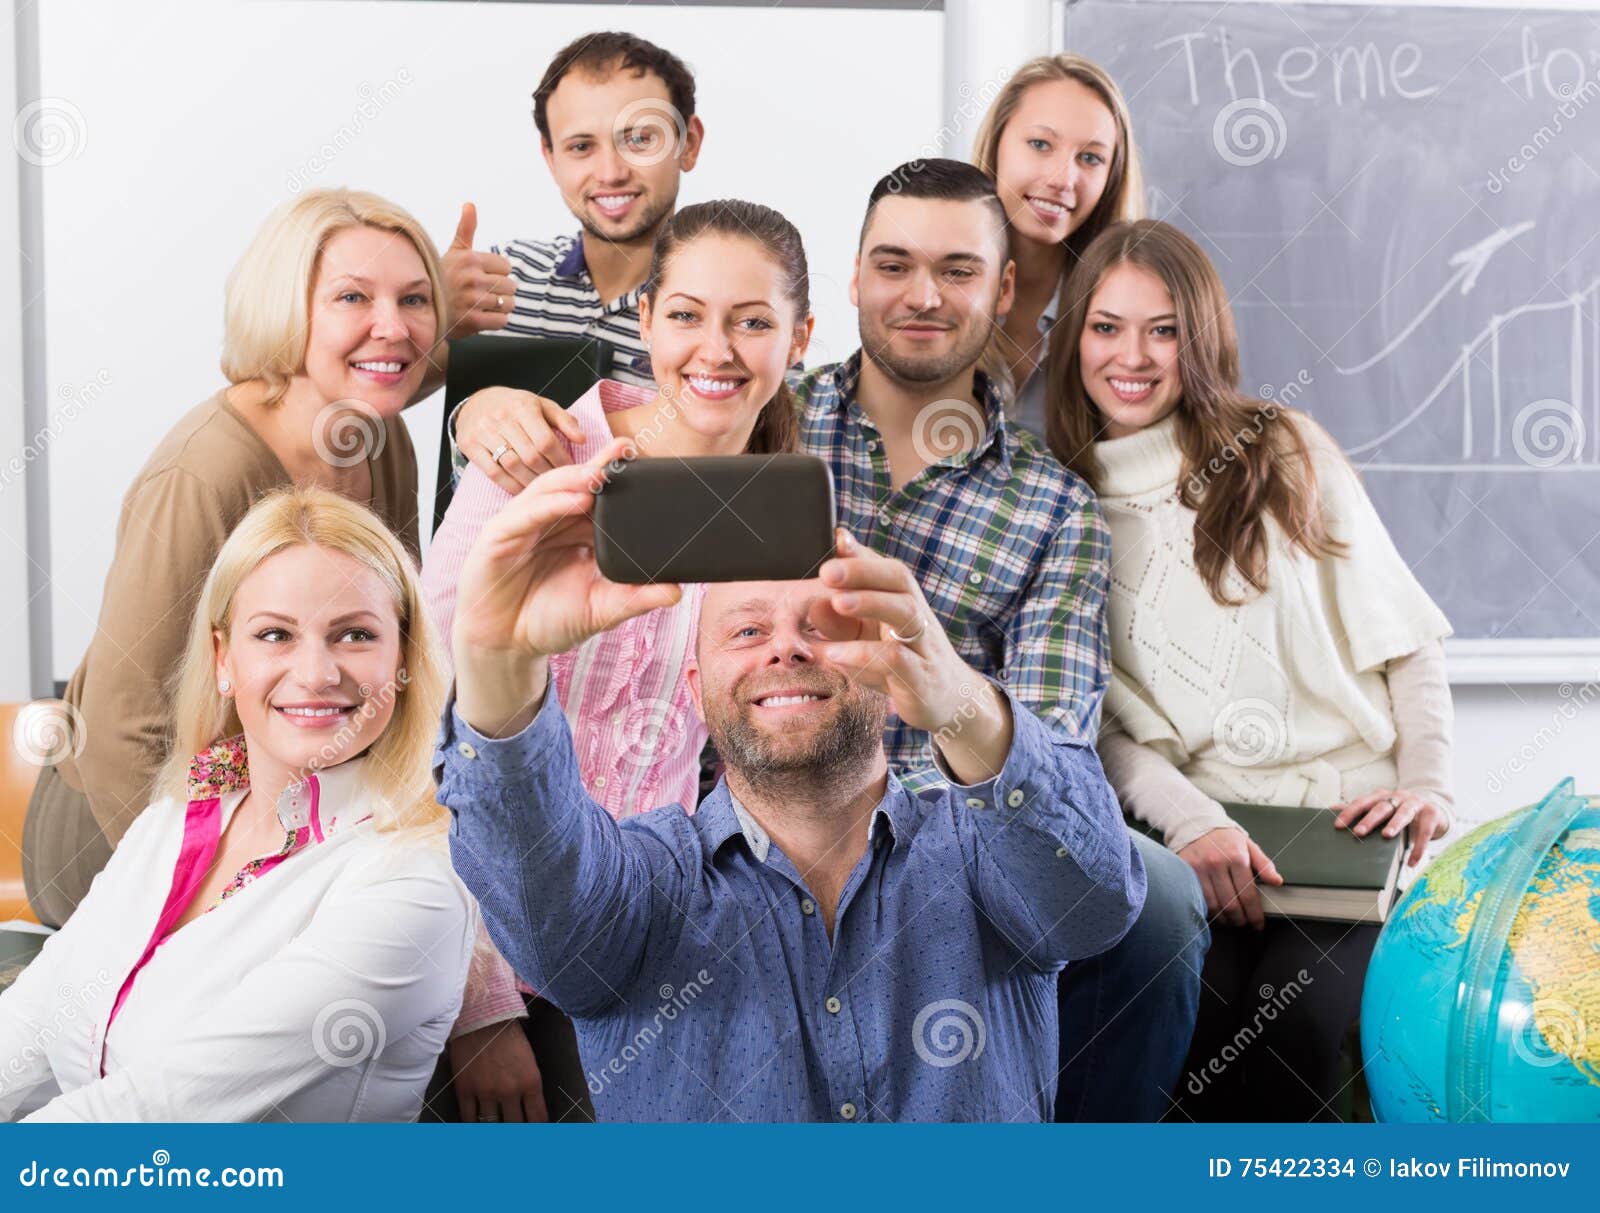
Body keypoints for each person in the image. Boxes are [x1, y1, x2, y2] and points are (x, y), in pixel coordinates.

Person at [434, 444, 1146, 1121]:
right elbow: (544, 906)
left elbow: (1094, 903)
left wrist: (962, 699)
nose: (787, 646)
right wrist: (497, 659)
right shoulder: (642, 887)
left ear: (887, 655)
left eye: (821, 623)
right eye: (745, 632)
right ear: (692, 688)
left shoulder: (985, 855)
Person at [1046, 219, 1456, 1121]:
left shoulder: (1282, 449)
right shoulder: (1060, 507)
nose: (1134, 357)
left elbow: (1408, 641)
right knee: (1173, 1026)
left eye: (1164, 330)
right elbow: (1099, 729)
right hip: (1201, 850)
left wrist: (1428, 785)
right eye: (1107, 326)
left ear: (1203, 339)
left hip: (1343, 837)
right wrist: (1194, 824)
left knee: (1298, 1033)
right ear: (1073, 336)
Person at [421, 199, 812, 1119]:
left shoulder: (782, 510)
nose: (714, 350)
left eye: (752, 321)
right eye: (685, 315)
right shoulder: (537, 468)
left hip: (648, 925)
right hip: (480, 933)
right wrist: (477, 1010)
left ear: (799, 339)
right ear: (643, 320)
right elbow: (419, 743)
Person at [24, 188, 442, 929]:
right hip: (132, 830)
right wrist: (201, 904)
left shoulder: (381, 436)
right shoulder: (204, 474)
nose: (394, 326)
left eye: (415, 299)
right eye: (353, 296)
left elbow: (391, 646)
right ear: (287, 310)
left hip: (290, 805)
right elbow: (127, 730)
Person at [0, 488, 476, 1121]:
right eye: (275, 634)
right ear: (224, 658)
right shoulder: (180, 812)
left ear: (406, 658)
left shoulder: (419, 878)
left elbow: (159, 1113)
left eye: (355, 635)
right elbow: (36, 1016)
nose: (315, 673)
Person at [435, 30, 704, 487]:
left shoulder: (732, 305)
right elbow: (377, 388)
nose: (611, 172)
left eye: (639, 140)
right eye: (582, 146)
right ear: (550, 156)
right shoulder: (500, 283)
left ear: (689, 143)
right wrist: (428, 312)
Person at [969, 53, 1144, 438]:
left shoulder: (1131, 327)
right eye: (1040, 144)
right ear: (997, 144)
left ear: (1111, 177)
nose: (1064, 178)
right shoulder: (936, 296)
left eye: (1090, 158)